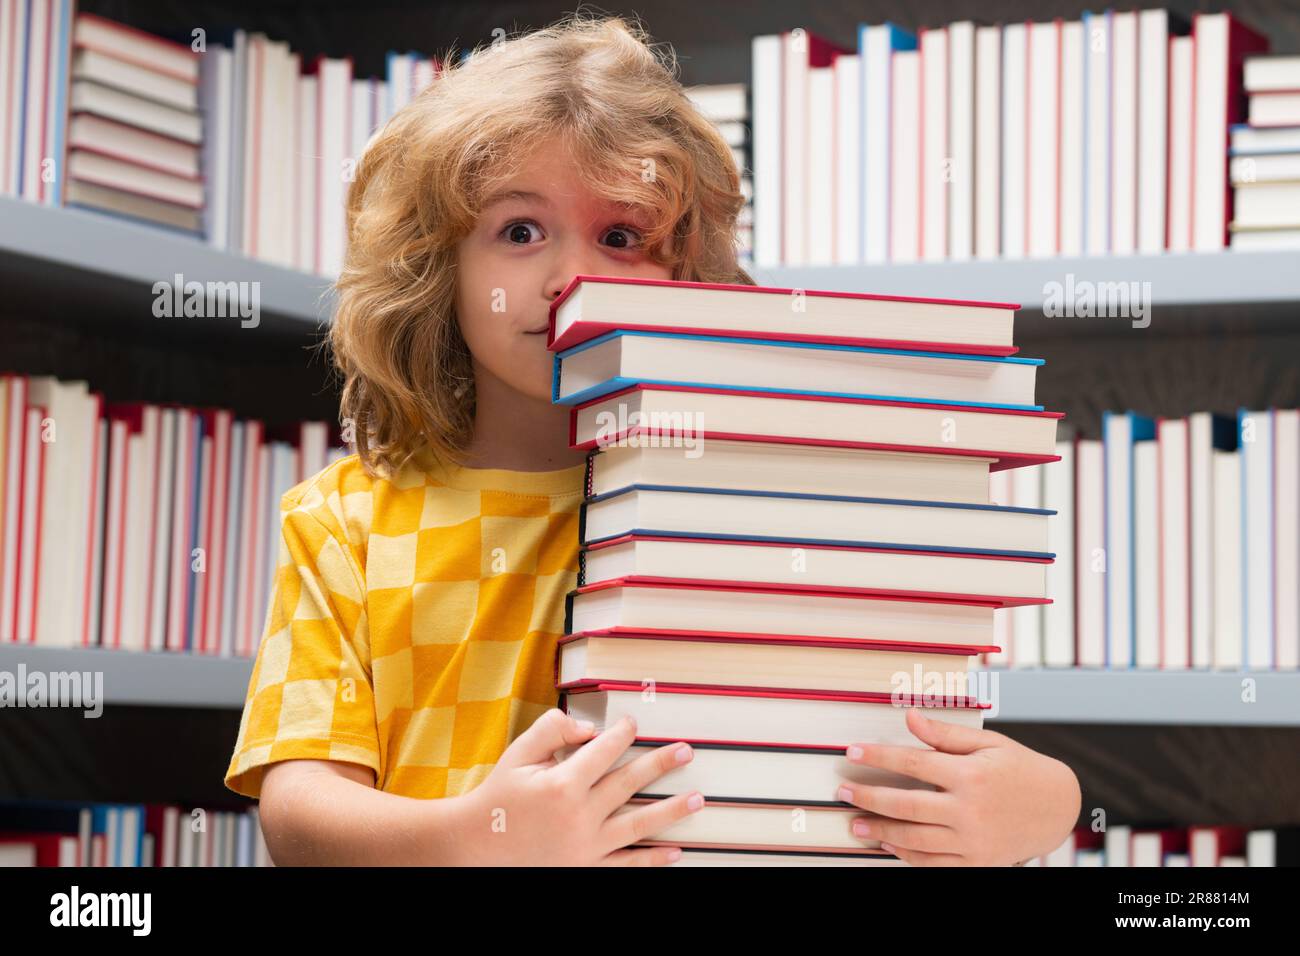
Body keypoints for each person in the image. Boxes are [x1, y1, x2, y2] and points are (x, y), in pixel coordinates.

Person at [223, 13, 1081, 866]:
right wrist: (473, 835)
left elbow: (887, 731)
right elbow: (298, 812)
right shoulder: (343, 521)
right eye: (519, 231)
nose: (571, 279)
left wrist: (1053, 804)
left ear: (686, 268)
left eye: (622, 236)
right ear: (439, 268)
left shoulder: (760, 496)